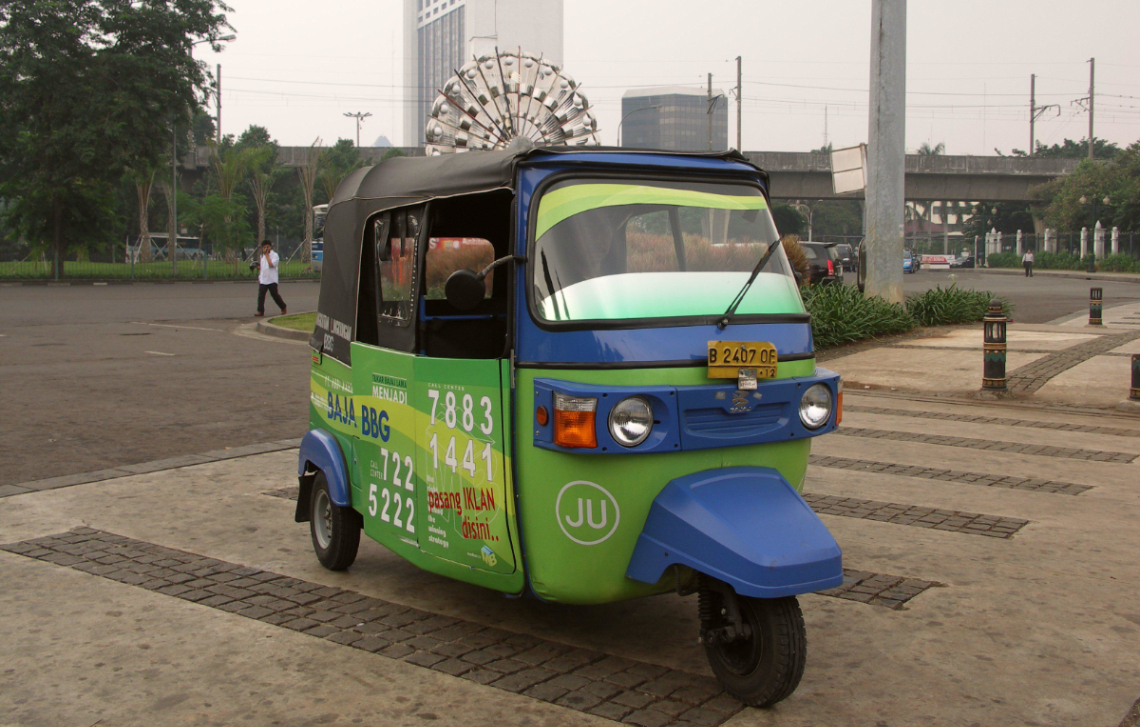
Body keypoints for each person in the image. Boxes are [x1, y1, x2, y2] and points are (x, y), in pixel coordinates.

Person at [255, 240, 287, 316]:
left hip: (272, 279)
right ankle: (260, 311)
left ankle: (283, 306)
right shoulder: (262, 256)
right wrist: (258, 267)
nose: (266, 249)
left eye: (267, 247)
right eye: (264, 247)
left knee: (274, 294)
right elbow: (264, 267)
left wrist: (267, 255)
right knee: (261, 295)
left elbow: (271, 265)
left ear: (270, 247)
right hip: (263, 279)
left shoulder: (275, 255)